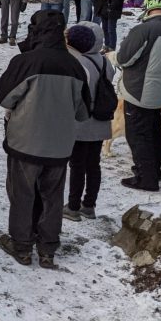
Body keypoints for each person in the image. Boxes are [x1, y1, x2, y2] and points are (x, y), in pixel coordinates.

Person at [0, 10, 89, 269]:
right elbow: (83, 112)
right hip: (59, 146)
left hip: (24, 142)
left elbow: (3, 97)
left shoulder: (25, 62)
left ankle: (22, 245)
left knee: (22, 194)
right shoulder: (74, 66)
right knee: (52, 197)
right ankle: (48, 249)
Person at [114, 0, 161, 191]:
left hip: (136, 89)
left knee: (138, 135)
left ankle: (145, 177)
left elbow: (123, 59)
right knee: (153, 131)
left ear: (148, 7)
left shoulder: (143, 30)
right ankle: (154, 170)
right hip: (158, 91)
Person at [62, 23, 113, 221]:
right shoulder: (105, 62)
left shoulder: (78, 62)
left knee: (77, 164)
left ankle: (73, 206)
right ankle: (89, 204)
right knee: (94, 164)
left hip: (82, 120)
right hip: (101, 119)